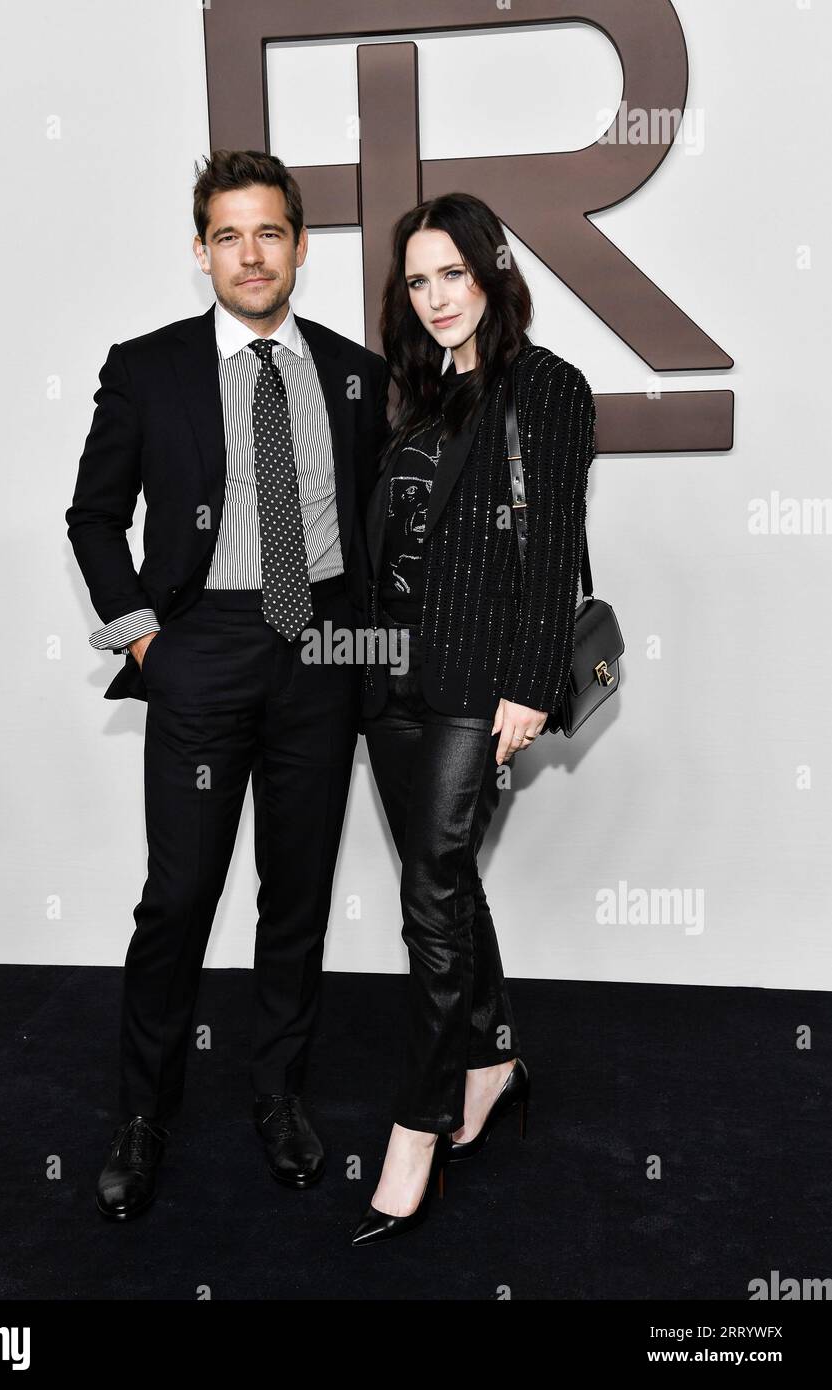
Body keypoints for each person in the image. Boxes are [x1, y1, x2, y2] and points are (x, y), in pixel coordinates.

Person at [65, 149, 391, 1220]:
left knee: (293, 903)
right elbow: (93, 516)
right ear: (200, 249)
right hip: (202, 649)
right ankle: (141, 1116)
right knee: (177, 901)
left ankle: (278, 1098)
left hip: (321, 656)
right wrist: (147, 643)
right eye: (226, 235)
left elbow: (385, 524)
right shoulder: (148, 367)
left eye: (268, 232)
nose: (249, 255)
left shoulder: (354, 372)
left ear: (299, 244)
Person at [353, 191, 596, 1245]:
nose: (436, 296)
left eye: (452, 272)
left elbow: (548, 551)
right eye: (417, 280)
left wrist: (531, 683)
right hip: (387, 678)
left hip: (475, 679)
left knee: (427, 894)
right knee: (445, 881)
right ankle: (494, 1059)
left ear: (492, 270)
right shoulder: (411, 396)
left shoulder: (544, 388)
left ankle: (422, 1115)